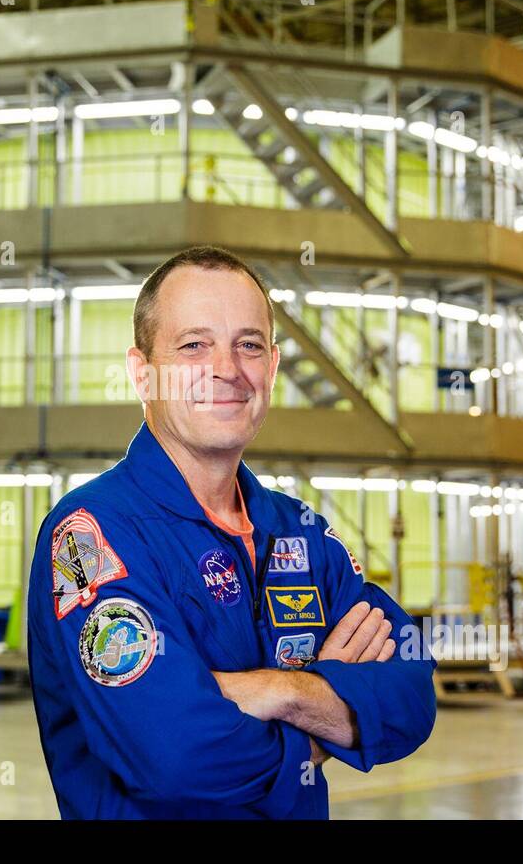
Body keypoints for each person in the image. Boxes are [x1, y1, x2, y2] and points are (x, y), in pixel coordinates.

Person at [26, 245, 436, 819]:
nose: (227, 368)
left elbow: (412, 697)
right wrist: (327, 716)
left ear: (270, 367)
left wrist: (282, 691)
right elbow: (177, 760)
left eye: (248, 344)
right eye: (194, 345)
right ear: (143, 374)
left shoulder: (301, 532)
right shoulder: (93, 534)